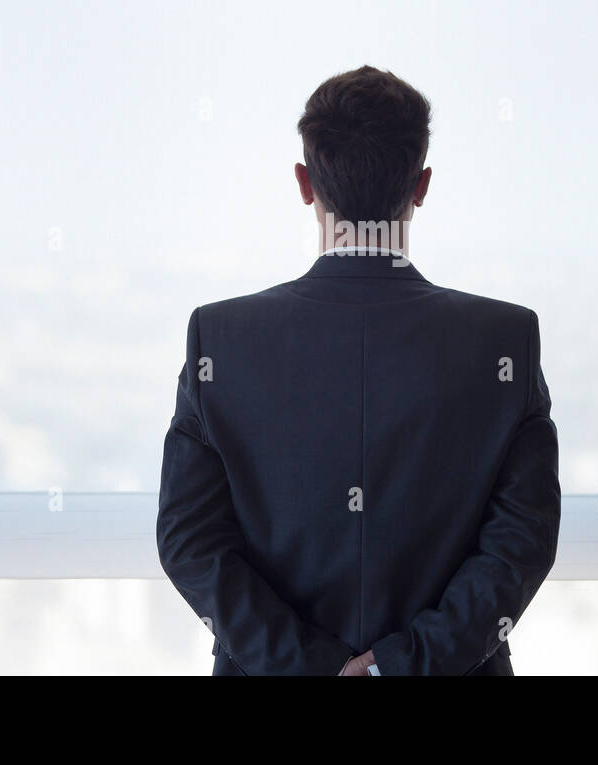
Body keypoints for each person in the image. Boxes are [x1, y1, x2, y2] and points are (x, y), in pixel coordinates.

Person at [156, 65, 561, 675]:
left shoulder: (221, 339)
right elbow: (519, 547)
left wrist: (314, 666)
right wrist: (395, 667)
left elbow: (191, 544)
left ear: (303, 182)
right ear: (422, 185)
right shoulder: (504, 340)